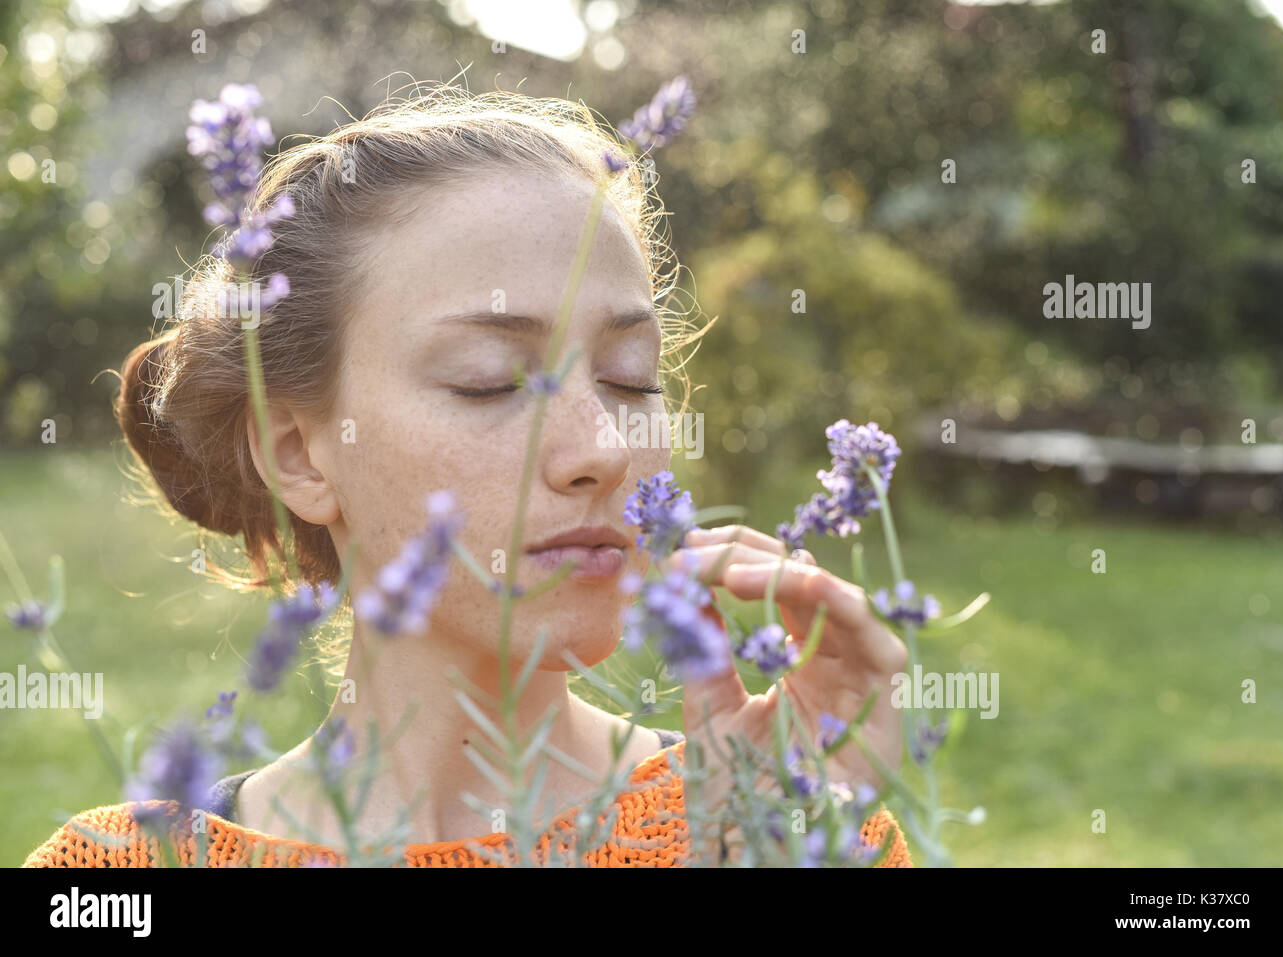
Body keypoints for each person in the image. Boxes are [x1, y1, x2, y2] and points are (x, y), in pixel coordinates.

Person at [23, 83, 912, 868]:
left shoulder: (796, 820)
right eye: (491, 379)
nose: (601, 446)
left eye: (632, 376)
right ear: (299, 454)